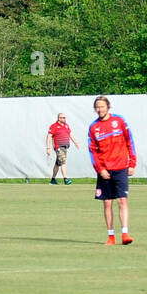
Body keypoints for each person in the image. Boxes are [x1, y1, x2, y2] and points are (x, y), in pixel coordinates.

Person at [87, 96, 135, 245]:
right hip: (105, 170)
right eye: (97, 107)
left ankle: (125, 234)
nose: (100, 109)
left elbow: (130, 141)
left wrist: (132, 163)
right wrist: (100, 169)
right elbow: (92, 151)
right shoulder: (93, 127)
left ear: (108, 106)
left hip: (121, 167)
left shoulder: (119, 121)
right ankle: (111, 236)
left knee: (122, 200)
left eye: (102, 106)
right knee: (107, 203)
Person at [46, 112, 78, 185]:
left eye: (65, 117)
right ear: (59, 118)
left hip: (65, 147)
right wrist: (48, 148)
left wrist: (75, 142)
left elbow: (70, 134)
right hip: (58, 147)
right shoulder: (54, 126)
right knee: (63, 161)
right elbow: (49, 137)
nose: (64, 119)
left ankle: (53, 180)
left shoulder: (66, 125)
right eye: (63, 117)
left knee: (58, 163)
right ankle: (66, 179)